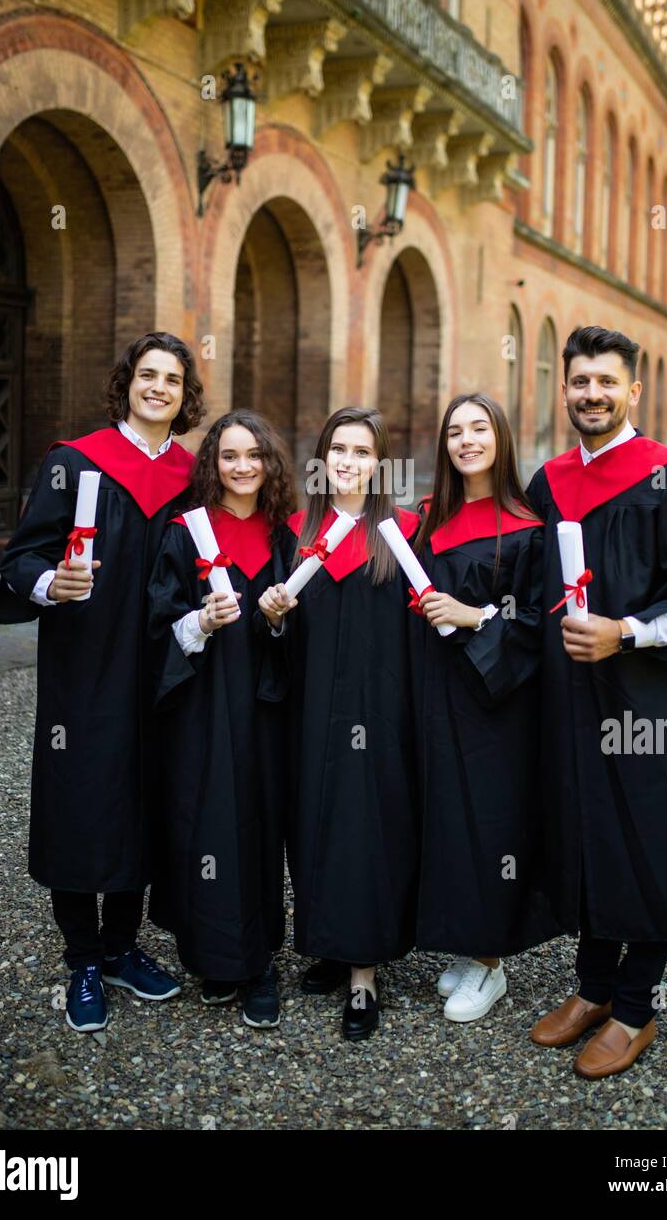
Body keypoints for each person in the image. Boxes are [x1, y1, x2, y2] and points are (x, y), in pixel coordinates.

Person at [526, 325, 667, 1078]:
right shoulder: (547, 483)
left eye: (606, 383)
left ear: (633, 391)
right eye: (580, 382)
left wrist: (628, 632)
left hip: (654, 695)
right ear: (566, 388)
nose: (592, 394)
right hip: (572, 695)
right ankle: (594, 988)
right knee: (585, 826)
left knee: (649, 832)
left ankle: (639, 1004)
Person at [0, 332, 204, 1032]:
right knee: (82, 801)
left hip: (164, 665)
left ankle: (121, 946)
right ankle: (82, 958)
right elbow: (20, 562)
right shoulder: (72, 465)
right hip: (84, 669)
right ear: (127, 383)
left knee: (143, 797)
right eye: (148, 375)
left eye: (172, 379)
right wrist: (55, 580)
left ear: (185, 394)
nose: (159, 388)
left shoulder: (191, 477)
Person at [260, 407, 420, 1041]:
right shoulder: (296, 532)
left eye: (363, 450)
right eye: (338, 450)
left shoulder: (405, 533)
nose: (349, 461)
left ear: (380, 462)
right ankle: (328, 942)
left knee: (368, 828)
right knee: (315, 822)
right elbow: (277, 629)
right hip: (312, 709)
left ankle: (364, 974)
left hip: (381, 712)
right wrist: (271, 615)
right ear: (322, 460)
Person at [412, 394, 560, 1023]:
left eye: (478, 429)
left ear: (500, 436)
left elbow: (540, 619)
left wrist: (473, 615)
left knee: (491, 818)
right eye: (454, 432)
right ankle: (469, 945)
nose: (466, 441)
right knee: (445, 811)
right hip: (434, 690)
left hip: (497, 697)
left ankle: (493, 961)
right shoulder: (428, 518)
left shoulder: (527, 523)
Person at [146, 410, 296, 1028]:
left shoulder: (284, 537)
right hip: (202, 706)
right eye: (229, 456)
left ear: (269, 464)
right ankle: (212, 958)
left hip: (262, 708)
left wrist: (280, 616)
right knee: (204, 820)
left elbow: (296, 631)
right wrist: (201, 622)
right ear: (212, 464)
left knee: (258, 822)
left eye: (253, 455)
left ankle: (257, 962)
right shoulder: (185, 531)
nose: (242, 467)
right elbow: (158, 623)